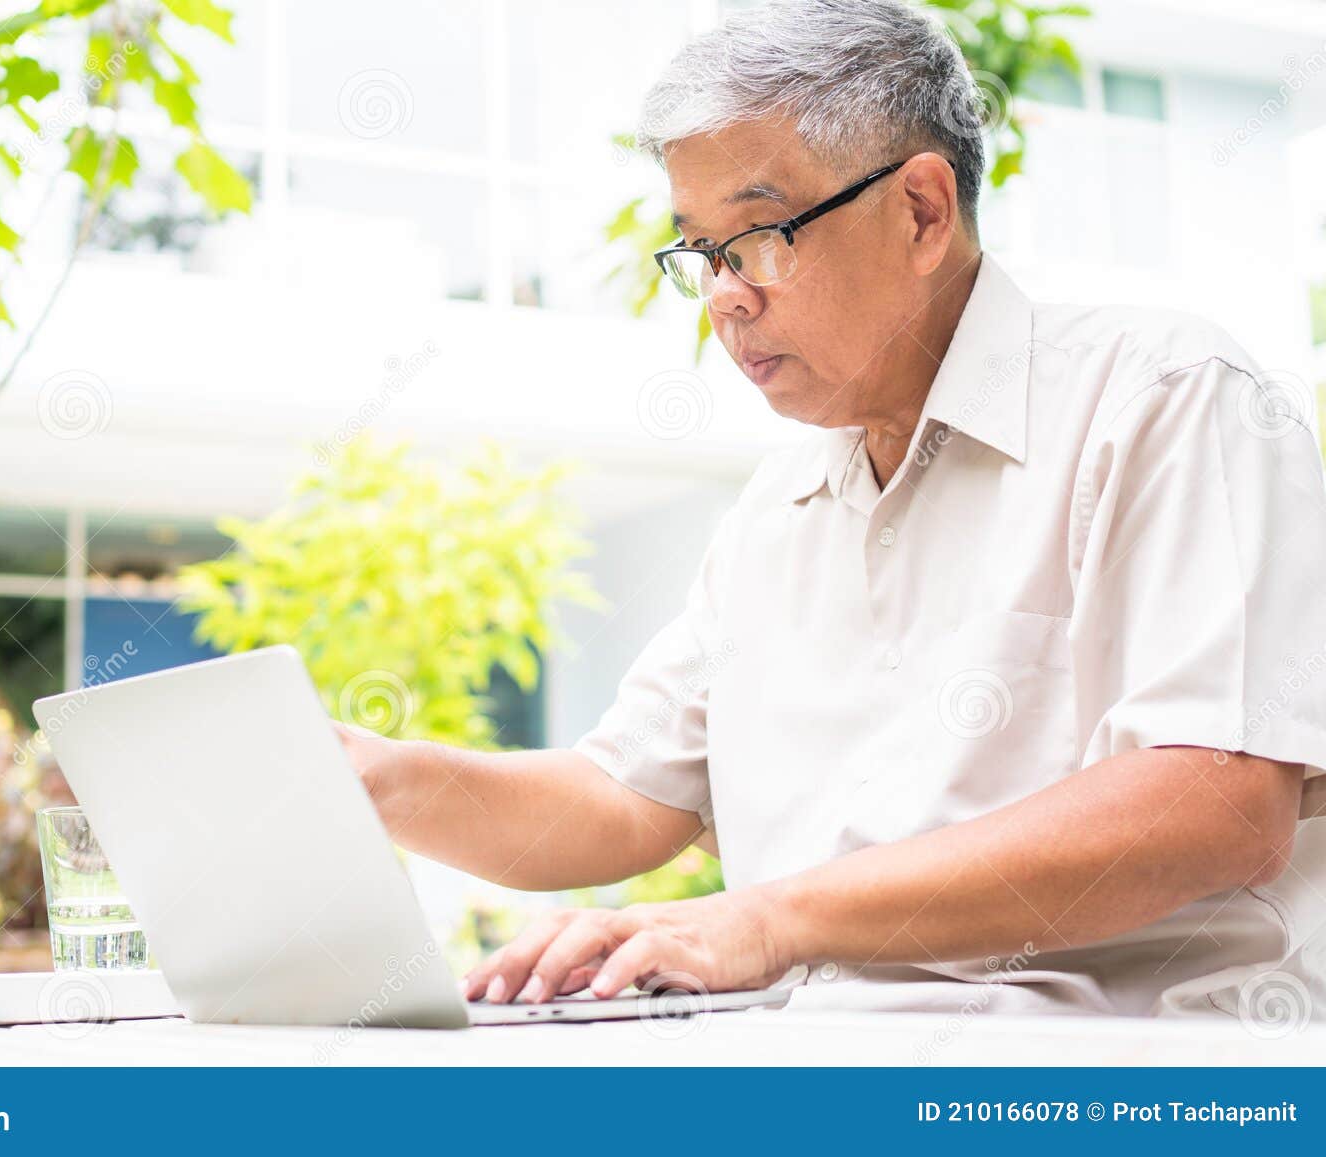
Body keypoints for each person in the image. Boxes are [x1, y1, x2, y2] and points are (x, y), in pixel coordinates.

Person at [336, 0, 1326, 1017]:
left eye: (760, 237)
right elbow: (625, 799)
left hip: (1102, 1075)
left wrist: (763, 919)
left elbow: (1216, 800)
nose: (725, 295)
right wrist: (375, 780)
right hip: (813, 1053)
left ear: (922, 211)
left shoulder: (1161, 396)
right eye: (701, 253)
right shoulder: (781, 505)